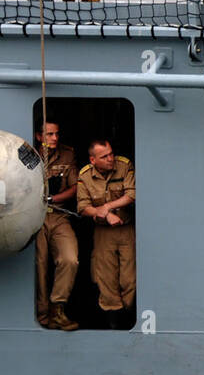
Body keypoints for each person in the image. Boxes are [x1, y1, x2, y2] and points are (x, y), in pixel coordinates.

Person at [76, 139, 136, 329]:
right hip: (103, 233)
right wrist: (104, 215)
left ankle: (128, 312)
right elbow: (83, 207)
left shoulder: (124, 165)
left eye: (111, 153)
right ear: (93, 160)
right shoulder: (85, 176)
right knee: (106, 277)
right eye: (104, 156)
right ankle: (113, 319)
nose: (110, 158)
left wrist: (106, 207)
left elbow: (132, 194)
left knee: (130, 278)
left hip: (126, 229)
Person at [34, 120, 79, 331]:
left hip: (59, 215)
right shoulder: (30, 156)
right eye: (50, 134)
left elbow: (74, 187)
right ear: (39, 137)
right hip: (35, 217)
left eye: (57, 134)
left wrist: (53, 199)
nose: (55, 138)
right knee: (40, 265)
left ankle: (57, 308)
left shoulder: (67, 155)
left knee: (70, 259)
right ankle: (43, 316)